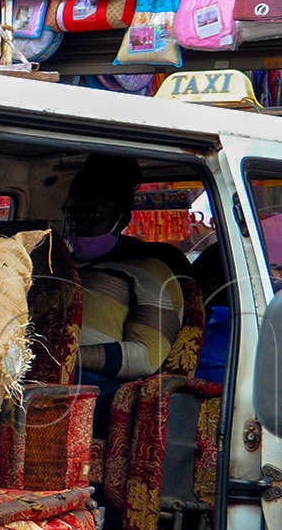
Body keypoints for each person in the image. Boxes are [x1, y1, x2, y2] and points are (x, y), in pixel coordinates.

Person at [64, 153, 192, 390]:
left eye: (94, 215)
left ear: (122, 220)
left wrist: (64, 357)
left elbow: (147, 357)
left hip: (92, 389)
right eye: (72, 214)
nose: (79, 224)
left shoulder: (150, 270)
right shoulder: (57, 264)